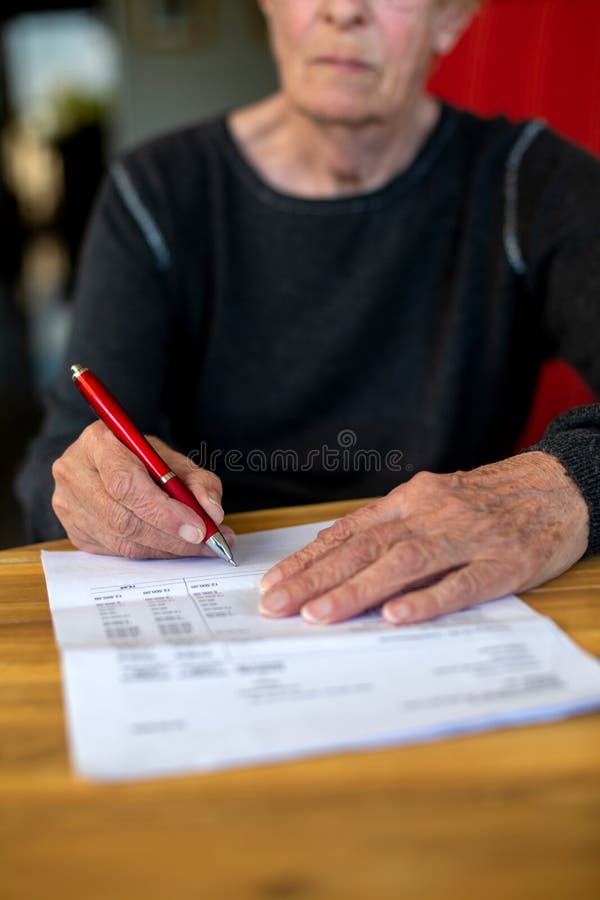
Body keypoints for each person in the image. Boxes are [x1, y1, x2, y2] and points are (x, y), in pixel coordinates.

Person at [17, 0, 600, 627]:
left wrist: (568, 484)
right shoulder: (155, 192)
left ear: (452, 18)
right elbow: (62, 465)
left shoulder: (533, 183)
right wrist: (91, 492)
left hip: (449, 603)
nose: (344, 11)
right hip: (216, 597)